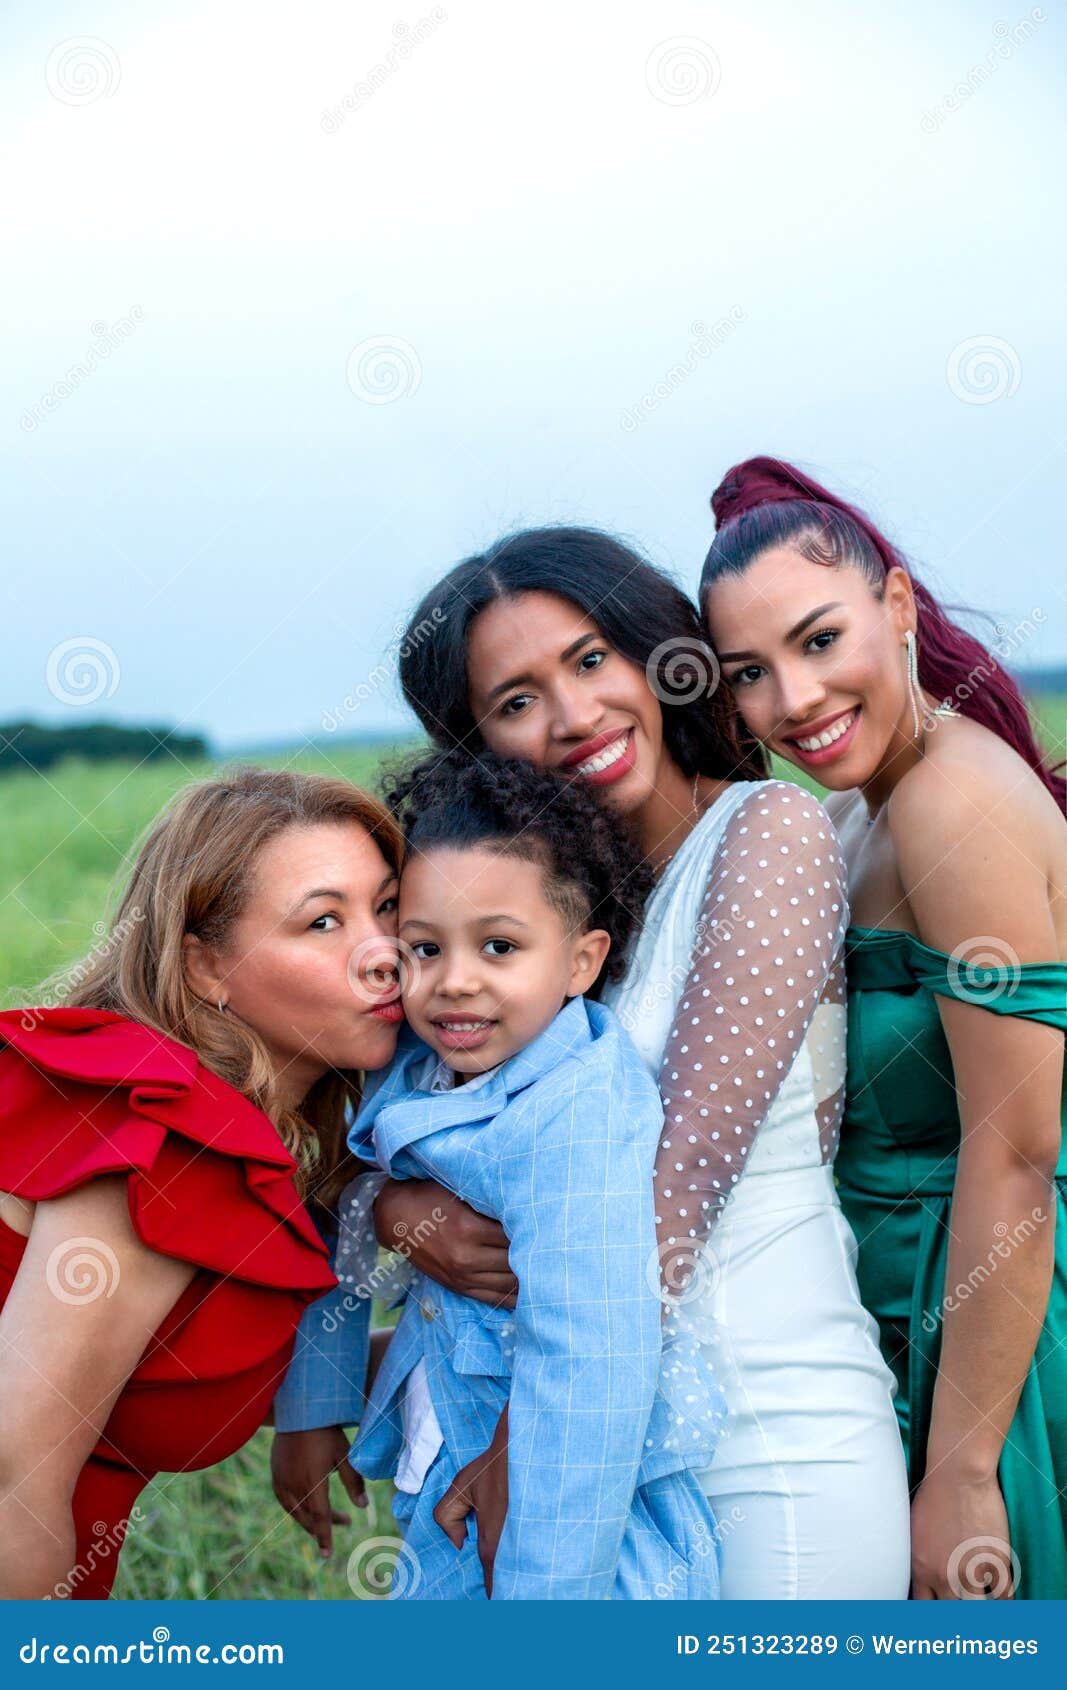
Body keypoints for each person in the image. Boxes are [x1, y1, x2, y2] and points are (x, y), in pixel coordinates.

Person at [274, 527, 911, 1599]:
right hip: (584, 1451)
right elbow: (409, 1123)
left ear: (654, 656)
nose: (573, 716)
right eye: (516, 700)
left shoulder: (765, 833)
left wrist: (535, 1441)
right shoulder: (511, 917)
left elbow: (678, 1179)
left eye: (589, 660)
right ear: (477, 746)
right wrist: (397, 1211)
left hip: (761, 1447)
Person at [697, 455, 1067, 1601]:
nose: (794, 699)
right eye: (749, 673)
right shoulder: (851, 814)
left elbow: (1016, 1150)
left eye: (819, 640)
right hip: (893, 1315)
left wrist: (962, 1473)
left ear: (895, 606)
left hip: (989, 1349)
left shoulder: (952, 800)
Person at [0, 767, 406, 1598]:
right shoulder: (172, 1138)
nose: (383, 953)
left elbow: (190, 1368)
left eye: (390, 907)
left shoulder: (246, 1135)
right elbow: (12, 1479)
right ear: (203, 967)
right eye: (323, 922)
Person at [343, 747, 725, 1598]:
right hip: (449, 1465)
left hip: (567, 1529)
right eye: (423, 948)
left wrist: (546, 1598)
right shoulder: (419, 1065)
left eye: (498, 946)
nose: (454, 982)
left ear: (582, 962)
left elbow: (589, 1361)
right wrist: (309, 1412)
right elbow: (344, 1194)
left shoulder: (575, 1108)